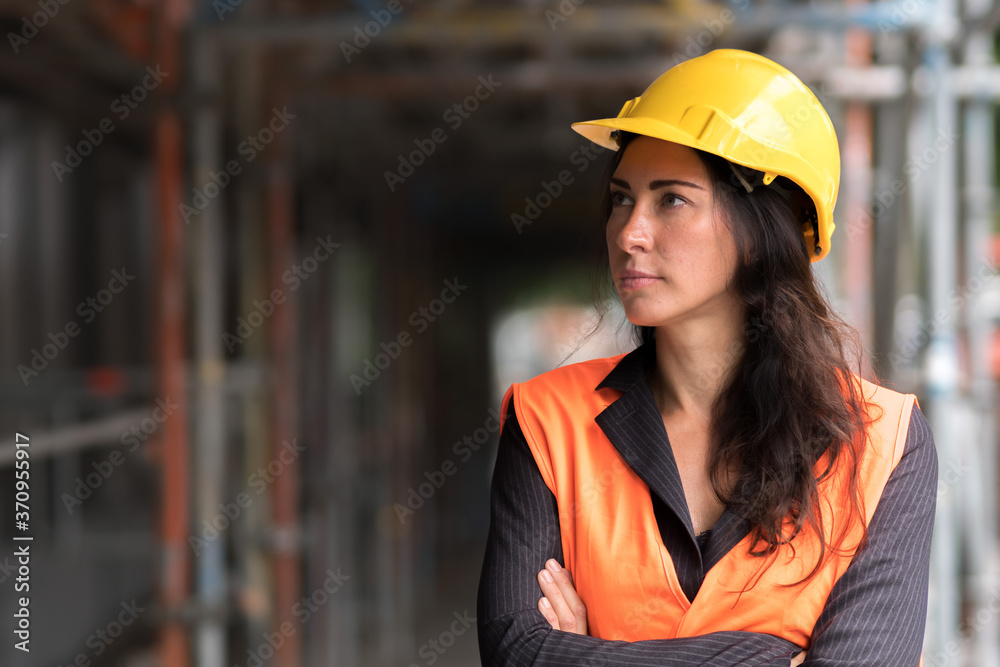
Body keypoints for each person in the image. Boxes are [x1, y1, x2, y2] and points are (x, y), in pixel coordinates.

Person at [476, 49, 937, 666]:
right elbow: (517, 652)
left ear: (760, 229)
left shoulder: (881, 443)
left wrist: (594, 654)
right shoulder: (546, 420)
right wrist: (769, 656)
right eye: (621, 198)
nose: (629, 232)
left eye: (671, 200)